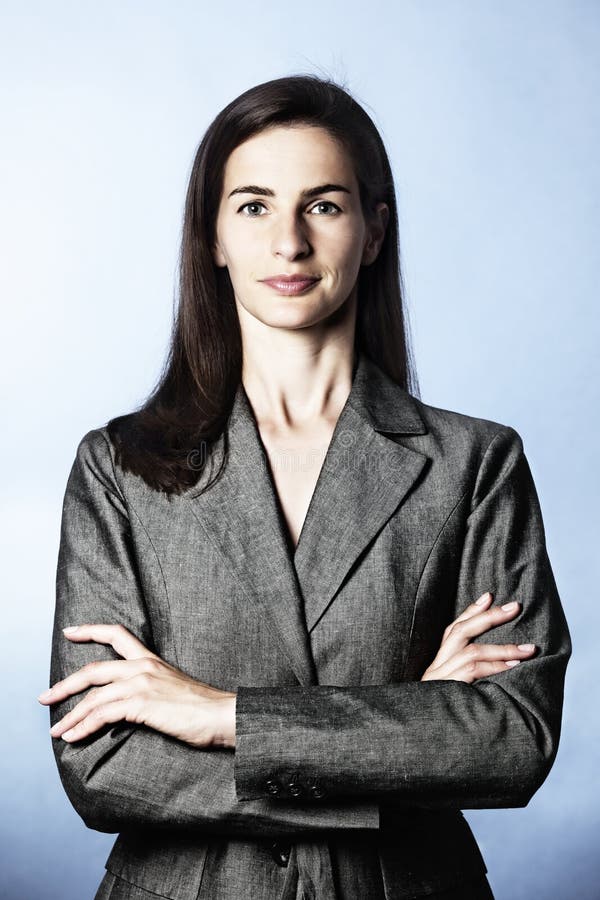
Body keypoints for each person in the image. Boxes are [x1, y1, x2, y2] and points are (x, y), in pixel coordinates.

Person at [40, 74, 572, 900]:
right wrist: (404, 729)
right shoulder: (119, 467)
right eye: (252, 206)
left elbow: (512, 738)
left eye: (323, 205)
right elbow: (103, 763)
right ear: (212, 235)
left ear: (372, 230)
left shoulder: (476, 463)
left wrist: (223, 718)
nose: (288, 242)